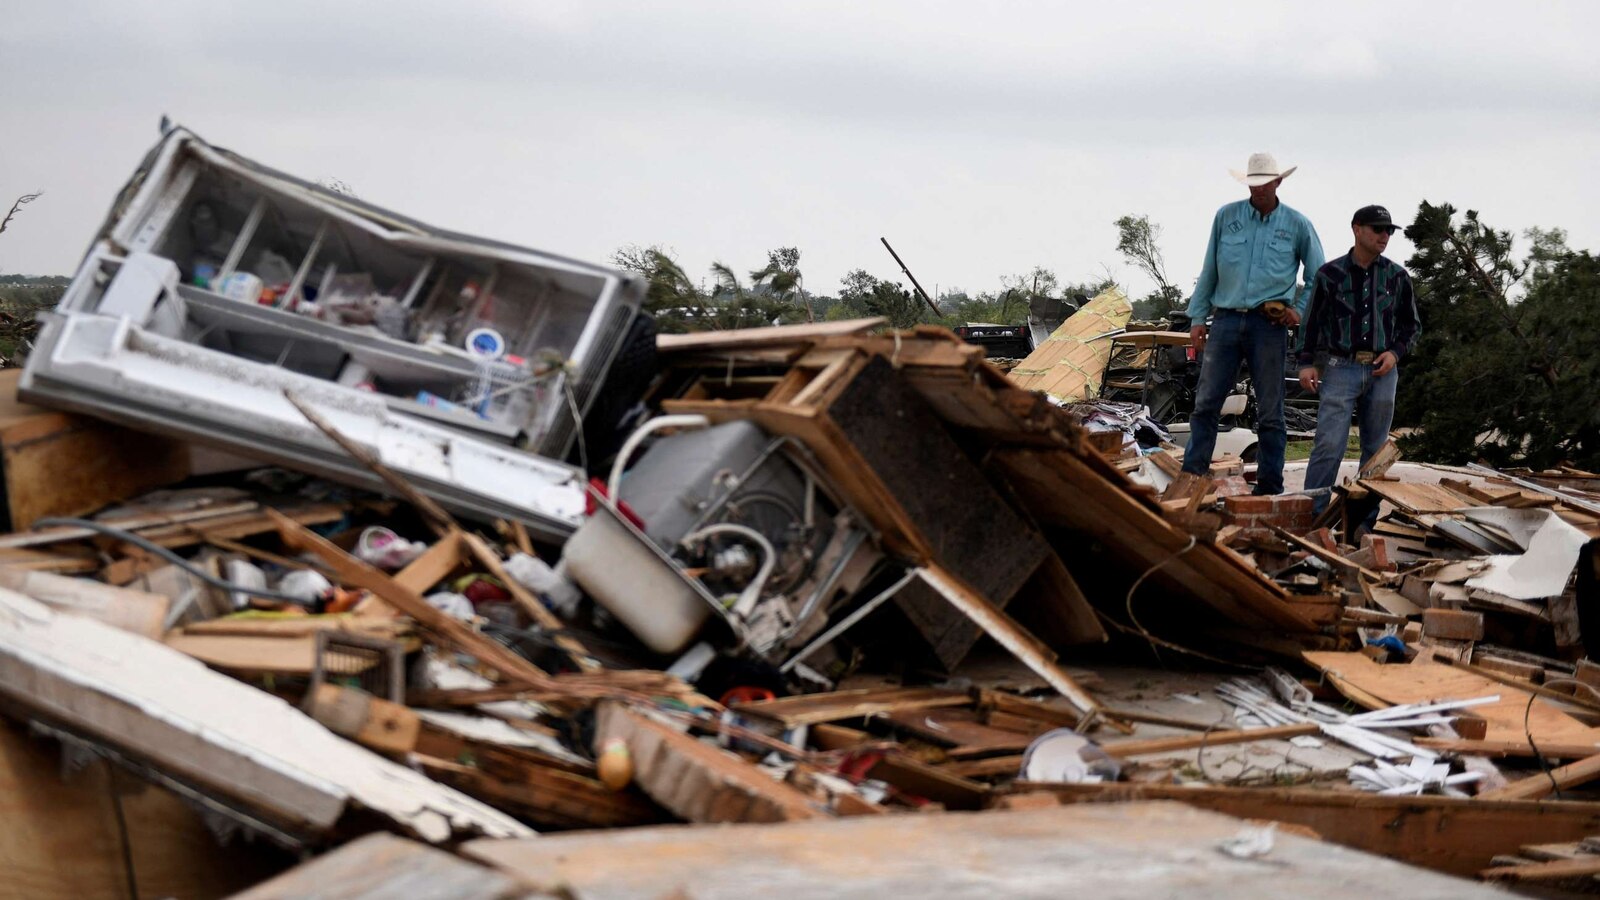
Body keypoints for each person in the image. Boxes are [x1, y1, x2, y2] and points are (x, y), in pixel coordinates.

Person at [1182, 153, 1325, 494]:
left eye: (1265, 183)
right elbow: (1210, 270)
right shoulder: (1226, 217)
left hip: (1269, 325)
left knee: (1271, 410)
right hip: (1227, 320)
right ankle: (1191, 476)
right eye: (1253, 184)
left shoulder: (1297, 224)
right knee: (1206, 403)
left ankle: (1269, 486)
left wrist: (1300, 310)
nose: (1259, 190)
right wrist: (1198, 318)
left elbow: (1319, 272)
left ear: (1278, 182)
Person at [1298, 204, 1422, 513]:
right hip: (1341, 368)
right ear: (1357, 229)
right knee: (1328, 445)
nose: (1384, 236)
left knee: (1375, 451)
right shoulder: (1330, 275)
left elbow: (1412, 325)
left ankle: (1362, 522)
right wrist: (1306, 362)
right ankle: (1313, 517)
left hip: (1383, 373)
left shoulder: (1398, 277)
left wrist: (1395, 353)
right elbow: (1310, 322)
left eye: (1389, 231)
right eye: (1378, 229)